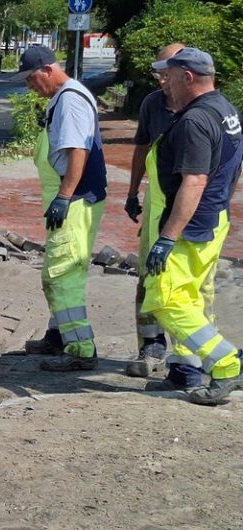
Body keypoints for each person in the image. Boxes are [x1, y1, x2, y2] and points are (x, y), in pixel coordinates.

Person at [142, 47, 243, 405]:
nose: (163, 81)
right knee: (191, 299)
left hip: (191, 226)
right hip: (213, 220)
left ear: (187, 77)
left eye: (168, 74)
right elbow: (231, 168)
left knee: (167, 299)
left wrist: (167, 237)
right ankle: (186, 368)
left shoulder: (195, 121)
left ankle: (227, 362)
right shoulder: (225, 110)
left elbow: (195, 181)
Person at [14, 46, 108, 371]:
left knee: (61, 275)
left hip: (76, 201)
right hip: (74, 200)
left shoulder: (69, 100)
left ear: (49, 70)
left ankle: (81, 349)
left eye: (31, 78)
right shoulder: (65, 96)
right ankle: (58, 336)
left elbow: (77, 152)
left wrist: (65, 196)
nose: (29, 85)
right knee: (61, 268)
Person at [124, 43, 192, 381]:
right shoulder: (153, 104)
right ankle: (151, 345)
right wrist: (133, 190)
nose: (163, 79)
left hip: (193, 208)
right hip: (157, 204)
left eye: (169, 73)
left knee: (188, 286)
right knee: (148, 278)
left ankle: (186, 356)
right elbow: (142, 149)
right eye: (160, 73)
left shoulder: (204, 109)